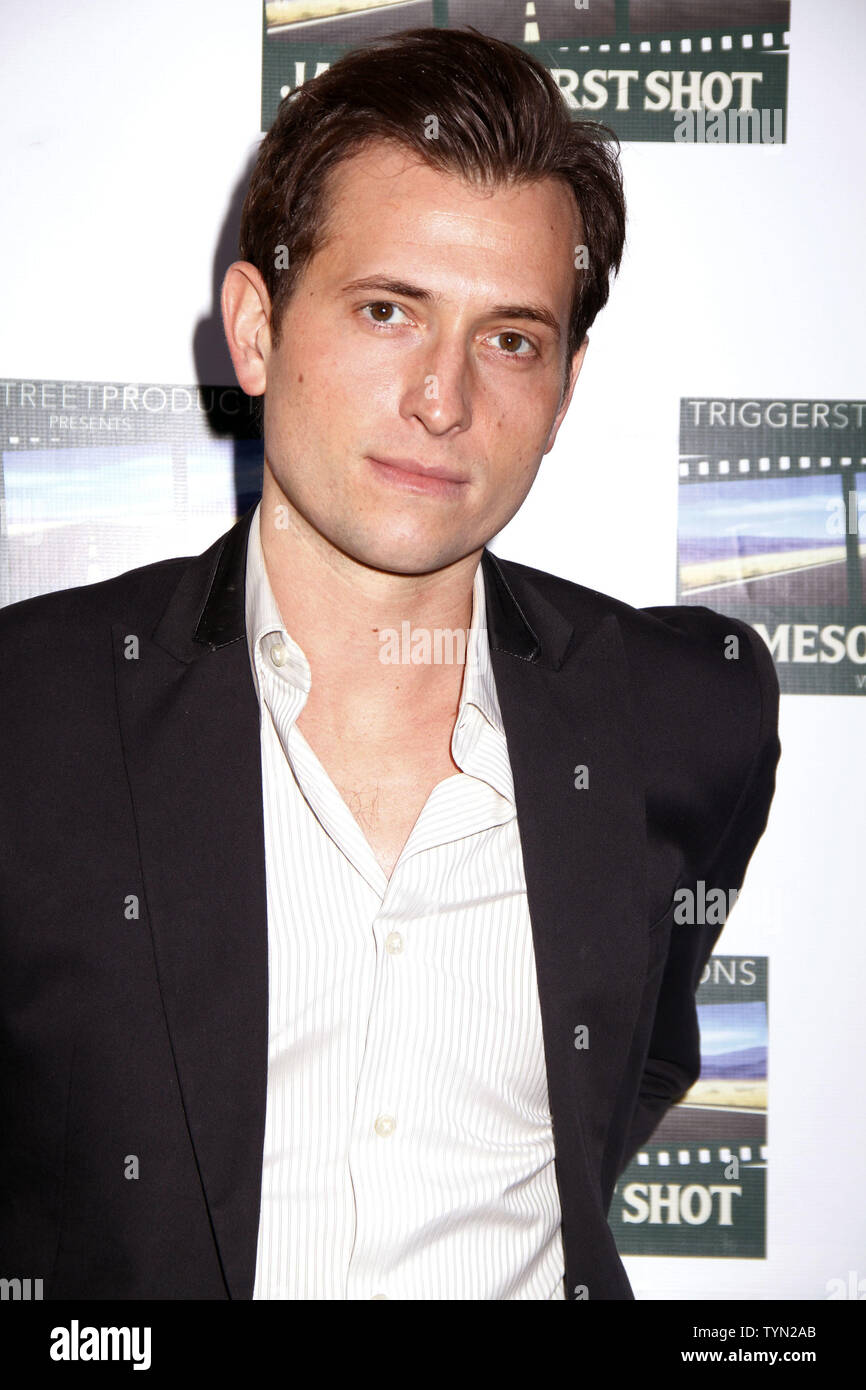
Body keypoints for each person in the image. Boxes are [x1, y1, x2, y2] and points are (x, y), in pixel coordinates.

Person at [0, 26, 779, 1300]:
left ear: (565, 390)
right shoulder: (32, 713)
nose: (442, 397)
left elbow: (632, 1064)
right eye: (385, 310)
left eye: (510, 339)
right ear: (256, 329)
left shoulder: (687, 713)